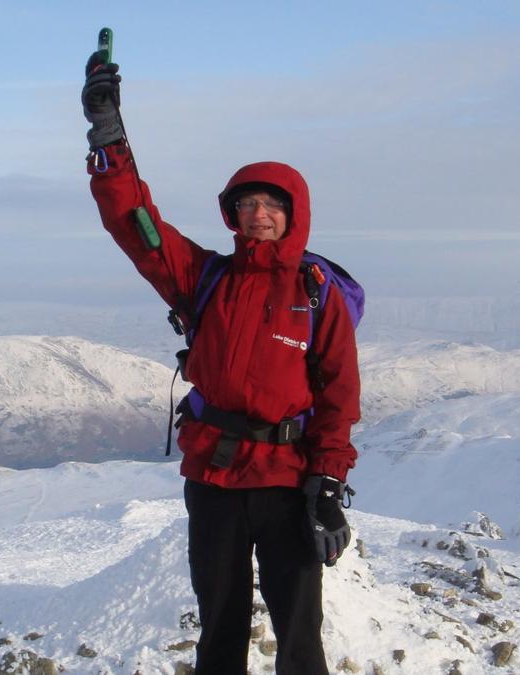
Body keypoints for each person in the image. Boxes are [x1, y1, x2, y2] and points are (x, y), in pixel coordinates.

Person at [82, 52, 361, 675]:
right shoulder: (204, 277)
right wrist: (107, 134)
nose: (258, 214)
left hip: (287, 479)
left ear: (293, 214)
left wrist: (327, 481)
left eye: (271, 204)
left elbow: (339, 392)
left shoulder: (316, 293)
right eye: (246, 204)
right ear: (231, 214)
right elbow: (135, 224)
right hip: (212, 478)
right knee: (220, 624)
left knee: (299, 633)